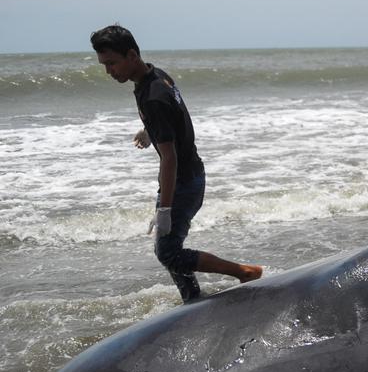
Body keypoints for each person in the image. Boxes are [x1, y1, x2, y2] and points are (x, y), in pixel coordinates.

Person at [90, 25, 262, 303]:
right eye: (104, 65)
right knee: (169, 247)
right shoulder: (156, 76)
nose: (109, 71)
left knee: (168, 251)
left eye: (112, 63)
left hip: (183, 182)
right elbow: (175, 117)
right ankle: (191, 297)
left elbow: (169, 158)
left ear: (131, 55)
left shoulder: (153, 95)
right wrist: (150, 132)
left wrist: (166, 209)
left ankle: (243, 272)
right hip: (188, 177)